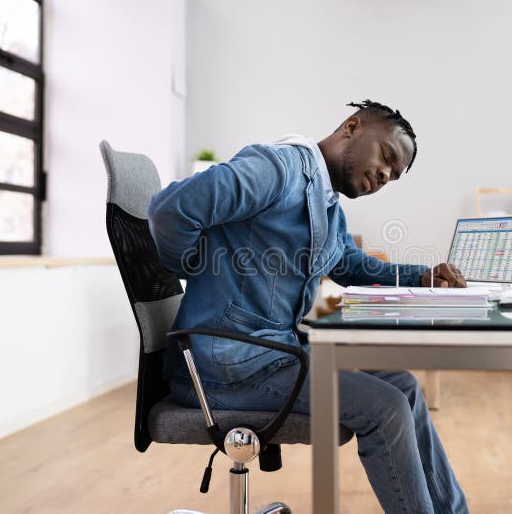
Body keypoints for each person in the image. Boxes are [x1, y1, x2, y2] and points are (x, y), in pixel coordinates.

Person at [148, 100, 469, 513]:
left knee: (402, 386)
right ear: (352, 127)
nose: (385, 175)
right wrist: (189, 266)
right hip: (225, 368)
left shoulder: (327, 203)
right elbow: (168, 210)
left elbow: (349, 264)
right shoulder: (277, 170)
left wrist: (421, 277)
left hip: (271, 354)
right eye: (386, 157)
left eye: (393, 176)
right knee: (384, 408)